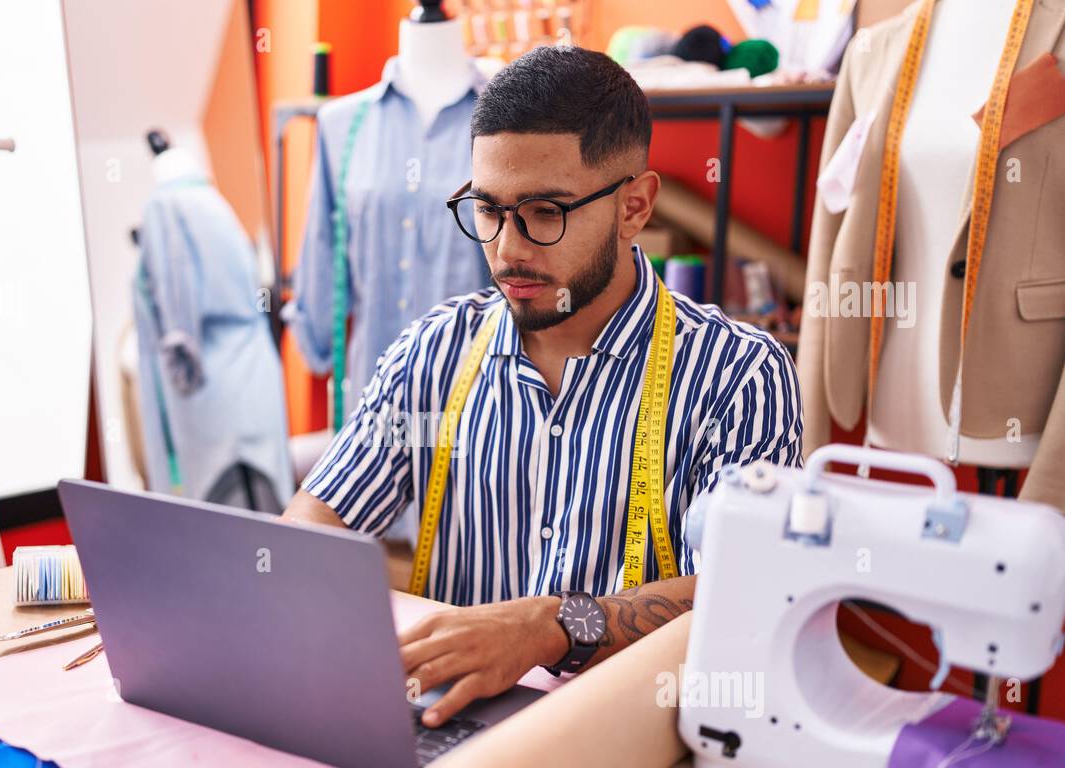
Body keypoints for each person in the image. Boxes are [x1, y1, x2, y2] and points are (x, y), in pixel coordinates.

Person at [284, 46, 802, 727]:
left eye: (545, 212)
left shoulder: (738, 377)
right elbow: (311, 532)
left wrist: (552, 625)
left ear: (635, 207)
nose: (507, 248)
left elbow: (747, 594)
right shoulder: (435, 354)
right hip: (456, 734)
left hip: (632, 740)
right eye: (489, 209)